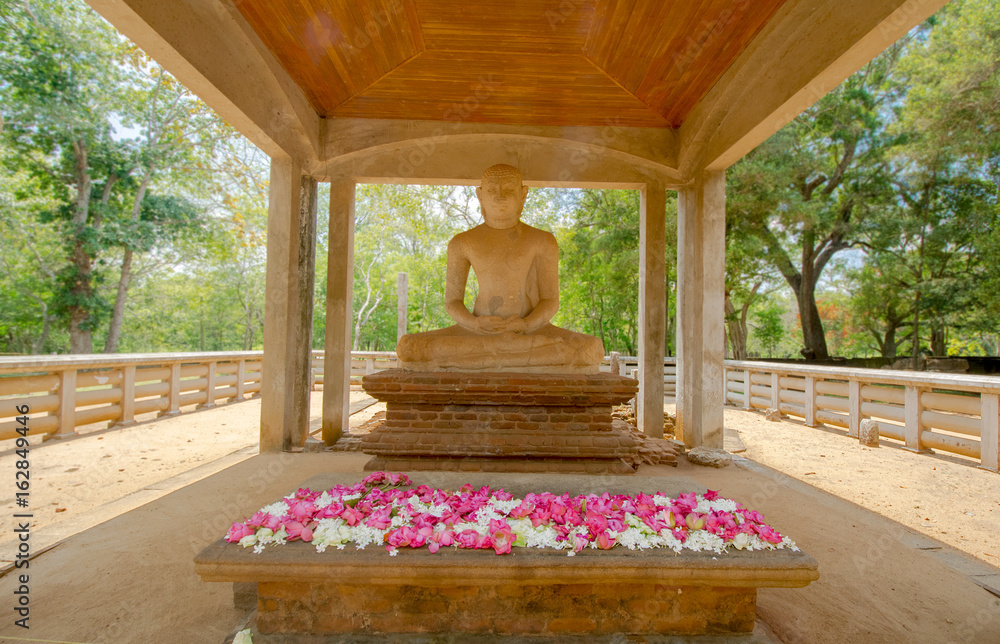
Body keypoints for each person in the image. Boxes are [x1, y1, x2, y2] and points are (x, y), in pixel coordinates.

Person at [396, 163, 604, 373]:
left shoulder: (542, 241)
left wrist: (526, 325)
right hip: (477, 333)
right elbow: (452, 303)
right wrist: (475, 324)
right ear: (480, 195)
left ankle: (485, 358)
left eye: (509, 190)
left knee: (589, 347)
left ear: (523, 194)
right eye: (492, 190)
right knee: (409, 346)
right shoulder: (462, 242)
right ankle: (511, 355)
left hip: (529, 332)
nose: (500, 197)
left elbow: (550, 301)